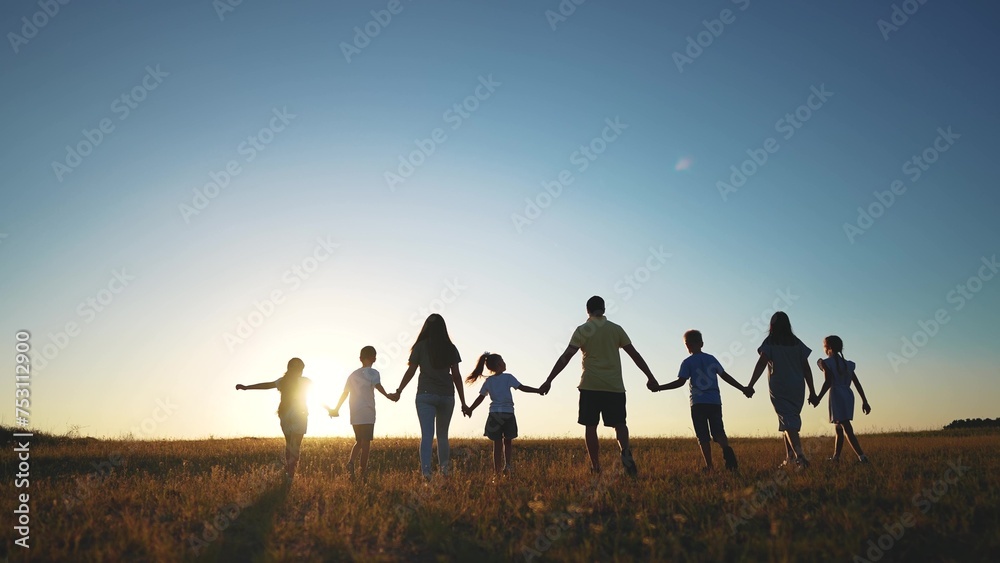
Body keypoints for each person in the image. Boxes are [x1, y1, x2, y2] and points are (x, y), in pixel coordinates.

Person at [539, 296, 659, 476]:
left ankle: (595, 466)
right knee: (620, 423)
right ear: (603, 309)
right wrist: (650, 377)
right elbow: (635, 355)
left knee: (590, 426)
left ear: (587, 310)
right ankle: (625, 453)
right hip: (614, 386)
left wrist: (549, 379)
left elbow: (566, 356)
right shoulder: (616, 329)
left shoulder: (583, 330)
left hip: (590, 385)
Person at [654, 330, 750, 472]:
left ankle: (709, 466)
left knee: (702, 435)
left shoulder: (687, 362)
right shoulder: (711, 359)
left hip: (698, 403)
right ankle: (727, 451)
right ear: (702, 343)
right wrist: (742, 388)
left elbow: (680, 382)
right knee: (718, 431)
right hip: (714, 402)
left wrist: (660, 388)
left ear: (688, 345)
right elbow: (725, 376)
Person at [387, 314, 469, 479]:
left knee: (427, 435)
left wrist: (399, 390)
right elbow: (457, 376)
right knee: (442, 435)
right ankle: (444, 472)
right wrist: (463, 402)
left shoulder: (420, 346)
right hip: (447, 395)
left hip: (425, 394)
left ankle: (426, 473)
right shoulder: (450, 348)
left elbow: (411, 371)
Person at [746, 312, 818, 468]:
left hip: (780, 386)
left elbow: (761, 364)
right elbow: (807, 369)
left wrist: (751, 384)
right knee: (788, 420)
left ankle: (800, 457)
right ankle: (789, 457)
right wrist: (812, 391)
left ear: (772, 326)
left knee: (788, 421)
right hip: (797, 387)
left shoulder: (771, 342)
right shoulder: (797, 343)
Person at [463, 352, 541, 476]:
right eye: (503, 360)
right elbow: (522, 387)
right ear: (500, 364)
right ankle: (507, 465)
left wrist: (471, 408)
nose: (505, 362)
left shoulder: (489, 381)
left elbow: (480, 398)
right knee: (508, 441)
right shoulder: (508, 377)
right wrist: (538, 390)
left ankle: (497, 470)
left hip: (495, 415)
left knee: (497, 443)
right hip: (508, 414)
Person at [235, 357, 312, 481]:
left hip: (284, 413)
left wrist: (246, 387)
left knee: (289, 444)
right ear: (301, 370)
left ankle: (289, 471)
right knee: (296, 445)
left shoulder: (282, 381)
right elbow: (317, 396)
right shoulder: (305, 381)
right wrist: (330, 409)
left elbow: (265, 385)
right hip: (299, 413)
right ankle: (291, 474)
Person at [327, 346, 391, 478]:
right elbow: (378, 386)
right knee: (366, 442)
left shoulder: (352, 375)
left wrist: (336, 409)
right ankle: (363, 472)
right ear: (374, 358)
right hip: (367, 412)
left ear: (360, 358)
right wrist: (389, 396)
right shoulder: (374, 373)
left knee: (360, 441)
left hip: (355, 413)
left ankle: (351, 462)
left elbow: (345, 393)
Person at [813, 335, 871, 463]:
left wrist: (818, 398)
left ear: (828, 348)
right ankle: (836, 457)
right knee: (839, 427)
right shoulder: (848, 364)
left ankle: (862, 456)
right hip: (848, 394)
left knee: (845, 426)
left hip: (837, 395)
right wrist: (864, 400)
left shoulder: (827, 363)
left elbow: (827, 382)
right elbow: (857, 383)